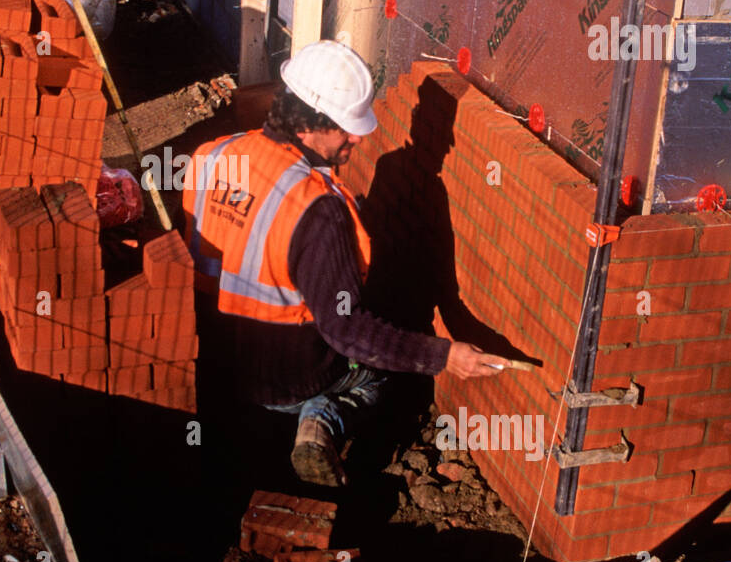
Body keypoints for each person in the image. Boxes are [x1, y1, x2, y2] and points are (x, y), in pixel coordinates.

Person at [182, 41, 502, 488]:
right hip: (288, 381)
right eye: (345, 128)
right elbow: (347, 332)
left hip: (215, 363)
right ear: (309, 124)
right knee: (380, 375)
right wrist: (444, 355)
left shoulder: (211, 155)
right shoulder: (315, 207)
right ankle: (321, 418)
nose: (358, 138)